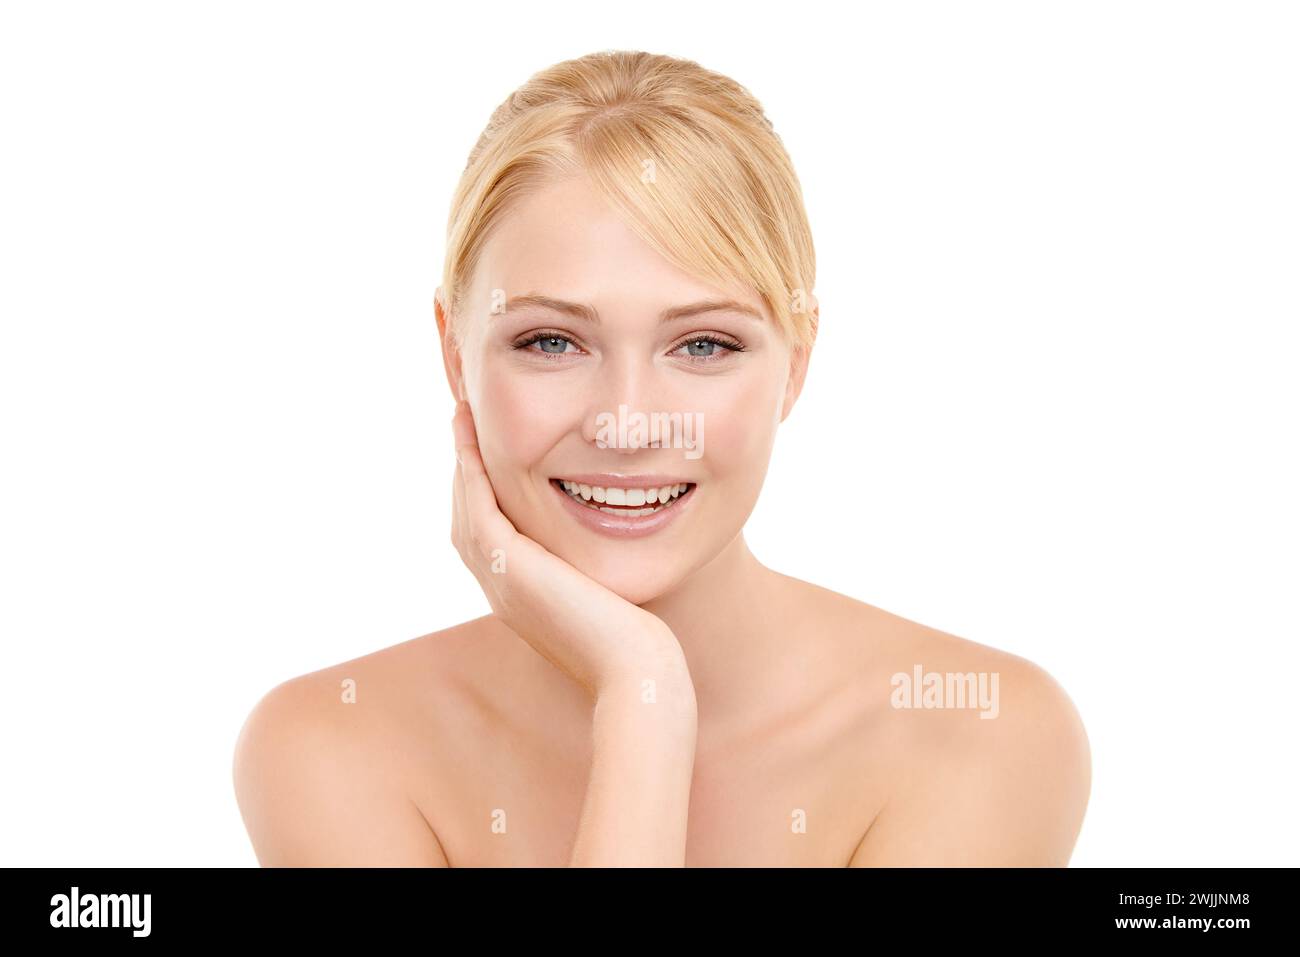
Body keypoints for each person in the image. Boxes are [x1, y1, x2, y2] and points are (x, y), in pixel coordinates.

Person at [233, 49, 1091, 867]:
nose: (629, 423)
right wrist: (644, 698)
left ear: (797, 361)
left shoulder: (984, 731)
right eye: (551, 340)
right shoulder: (328, 745)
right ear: (455, 356)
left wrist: (636, 693)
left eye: (705, 345)